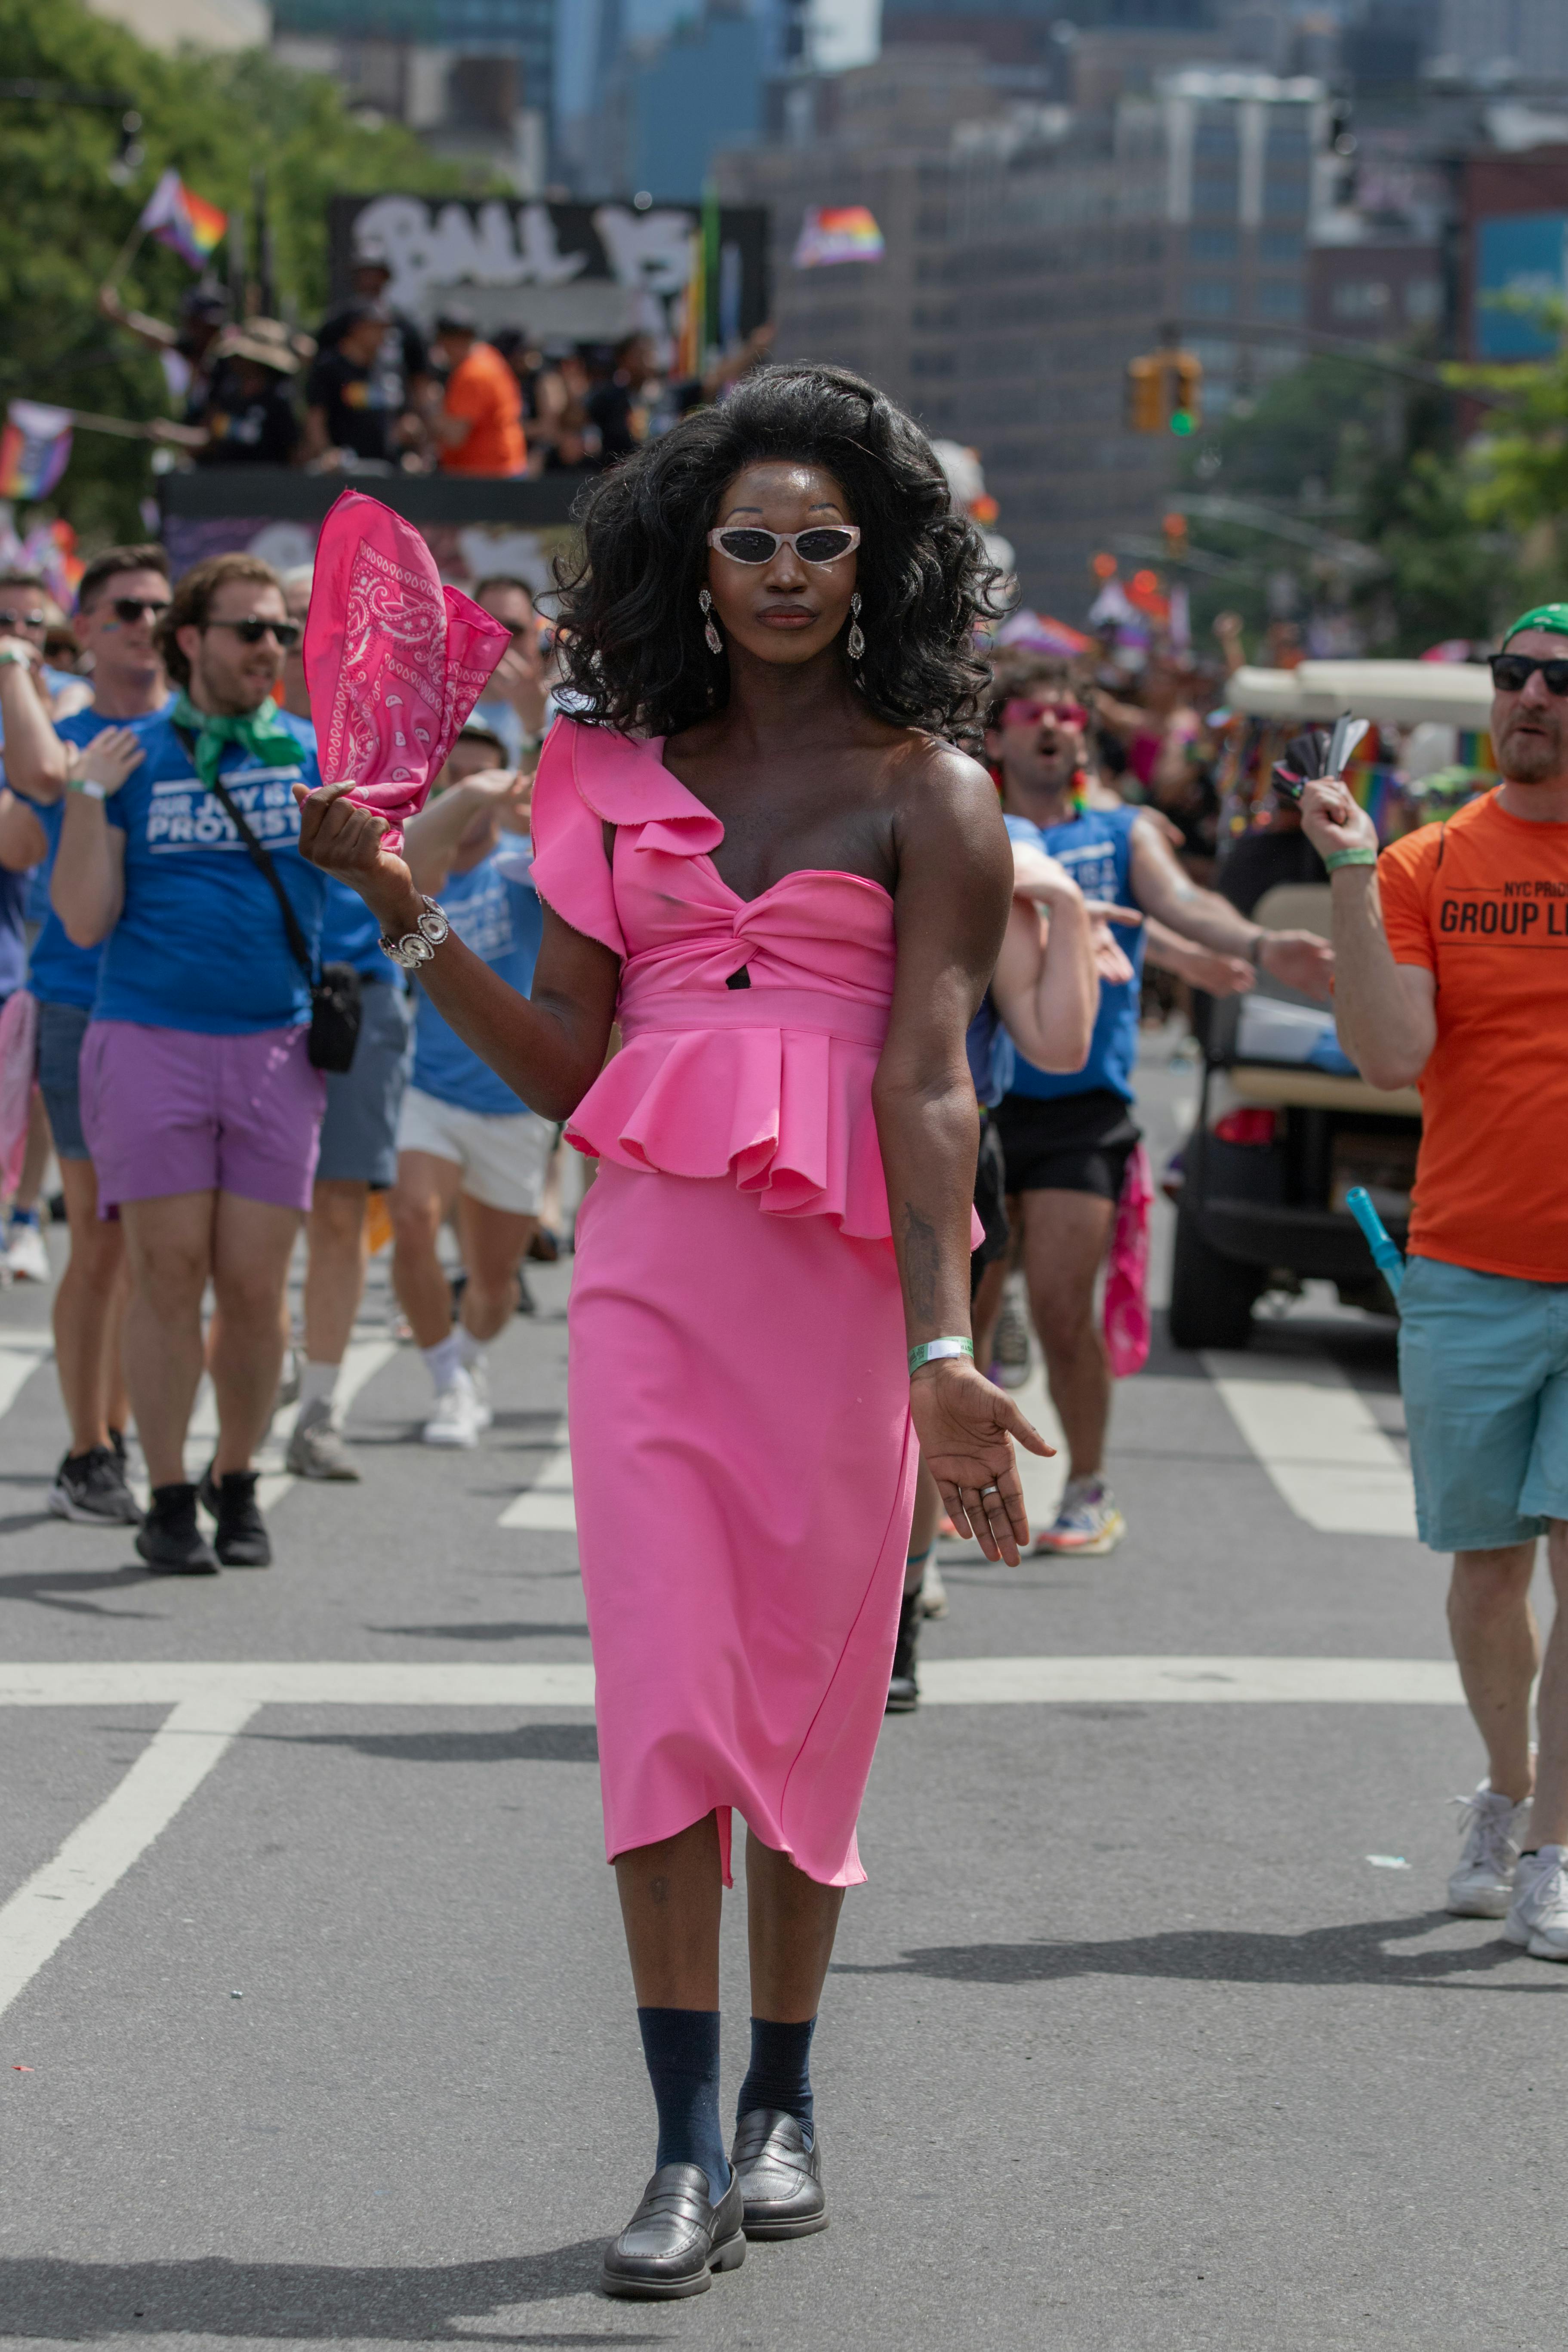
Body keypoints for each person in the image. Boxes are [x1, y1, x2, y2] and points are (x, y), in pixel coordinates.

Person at [298, 361, 1047, 2296]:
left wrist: (945, 1352)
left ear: (875, 564)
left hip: (848, 1292)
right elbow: (569, 1067)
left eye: (822, 540)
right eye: (749, 540)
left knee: (805, 1697)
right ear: (691, 564)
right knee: (662, 1701)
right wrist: (400, 908)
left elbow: (931, 1085)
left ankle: (786, 2101)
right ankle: (684, 2144)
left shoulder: (934, 791)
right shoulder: (603, 775)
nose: (786, 571)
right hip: (652, 1277)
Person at [1301, 604, 1568, 1964]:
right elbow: (1390, 1054)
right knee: (1486, 1573)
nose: (1530, 695)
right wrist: (1351, 871)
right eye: (1512, 674)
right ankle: (1507, 1790)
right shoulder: (1426, 862)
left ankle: (1555, 1848)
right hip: (1469, 1265)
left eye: (1559, 679)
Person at [986, 653, 1332, 1554]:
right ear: (996, 735)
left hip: (1082, 1111)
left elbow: (1175, 903)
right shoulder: (968, 822)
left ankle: (1087, 1487)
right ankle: (963, 1490)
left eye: (1068, 715)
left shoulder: (1122, 831)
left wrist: (1258, 946)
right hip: (979, 1105)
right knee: (969, 1317)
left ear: (1085, 738)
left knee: (1062, 1306)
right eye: (1031, 713)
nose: (1053, 726)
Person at [51, 553, 327, 1574]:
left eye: (280, 632)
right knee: (166, 1273)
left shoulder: (309, 754)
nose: (270, 648)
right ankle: (168, 1494)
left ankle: (236, 1476)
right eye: (249, 630)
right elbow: (84, 921)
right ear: (190, 641)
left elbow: (385, 880)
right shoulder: (128, 756)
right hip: (148, 1040)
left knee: (254, 1285)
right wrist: (88, 796)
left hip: (277, 1047)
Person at [0, 545, 173, 1522]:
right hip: (82, 1003)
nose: (147, 625)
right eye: (126, 610)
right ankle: (87, 1452)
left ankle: (120, 1424)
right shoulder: (68, 733)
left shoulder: (202, 730)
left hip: (188, 1014)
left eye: (159, 608)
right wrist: (12, 659)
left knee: (164, 1249)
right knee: (102, 1241)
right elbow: (36, 776)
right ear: (90, 629)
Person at [387, 726, 544, 1447]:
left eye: (486, 777)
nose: (473, 793)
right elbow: (413, 865)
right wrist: (471, 792)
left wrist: (517, 799)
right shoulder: (429, 868)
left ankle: (471, 1357)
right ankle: (447, 1377)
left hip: (514, 1103)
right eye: (457, 778)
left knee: (493, 1283)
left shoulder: (521, 869)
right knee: (411, 1220)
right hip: (432, 1090)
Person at [302, 301, 415, 470]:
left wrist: (409, 430)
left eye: (385, 329)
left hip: (385, 467)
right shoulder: (330, 368)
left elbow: (402, 415)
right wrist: (326, 452)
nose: (383, 336)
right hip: (342, 468)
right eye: (377, 328)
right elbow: (315, 418)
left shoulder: (391, 370)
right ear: (357, 328)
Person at [424, 309, 526, 478]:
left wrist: (430, 408)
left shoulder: (473, 374)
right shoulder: (488, 355)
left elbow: (455, 437)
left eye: (442, 344)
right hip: (504, 467)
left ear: (454, 341)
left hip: (487, 475)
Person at [190, 321, 302, 466]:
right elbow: (211, 438)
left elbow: (294, 453)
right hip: (224, 476)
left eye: (241, 357)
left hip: (266, 477)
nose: (235, 361)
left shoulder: (280, 401)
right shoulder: (229, 395)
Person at [468, 576, 548, 768]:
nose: (502, 641)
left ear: (534, 635)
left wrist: (535, 727)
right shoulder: (442, 716)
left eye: (515, 630)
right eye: (489, 629)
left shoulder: (572, 713)